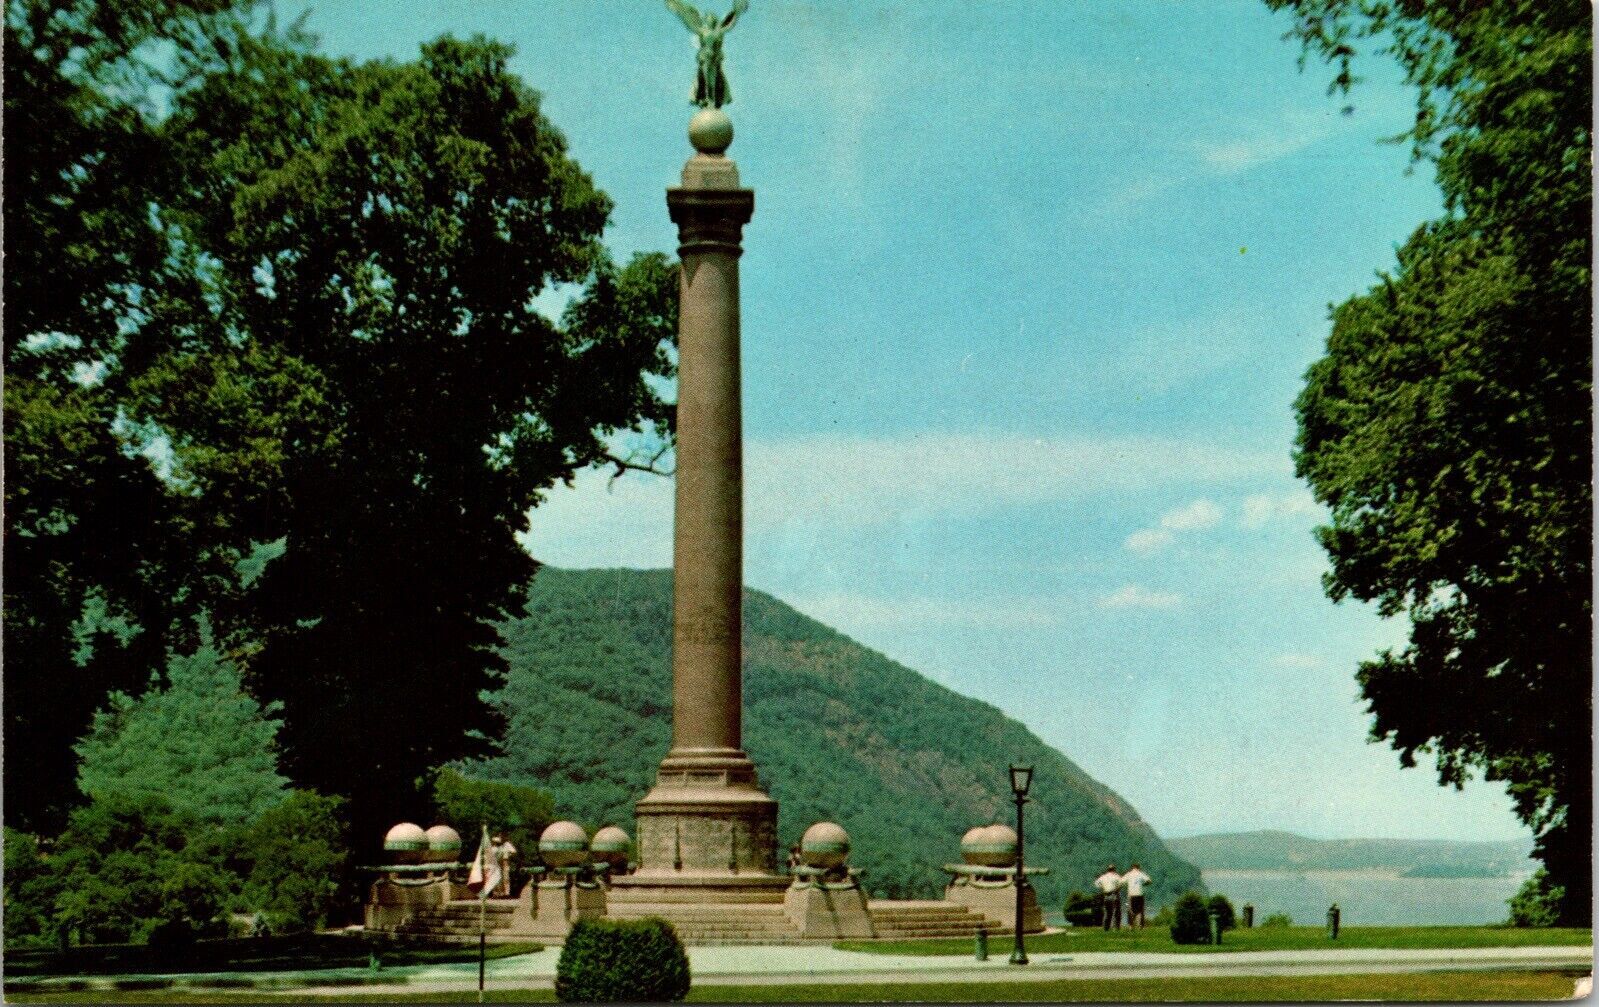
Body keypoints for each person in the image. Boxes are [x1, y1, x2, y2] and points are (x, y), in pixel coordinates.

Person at [1123, 861, 1152, 928]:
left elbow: (1121, 882)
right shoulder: (1141, 873)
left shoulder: (1129, 874)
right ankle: (1140, 925)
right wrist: (1144, 884)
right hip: (1139, 893)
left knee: (1131, 910)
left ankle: (1131, 925)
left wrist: (1127, 886)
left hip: (1131, 894)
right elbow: (1149, 881)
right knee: (1140, 910)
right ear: (1138, 867)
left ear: (1132, 867)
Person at [1094, 863, 1123, 930]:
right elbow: (1121, 883)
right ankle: (1116, 927)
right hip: (1114, 894)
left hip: (1106, 895)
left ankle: (1106, 927)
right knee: (1116, 912)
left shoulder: (1103, 876)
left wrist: (1103, 888)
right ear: (1114, 869)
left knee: (1107, 912)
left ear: (1108, 870)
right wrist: (1117, 889)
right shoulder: (1116, 876)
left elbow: (1096, 883)